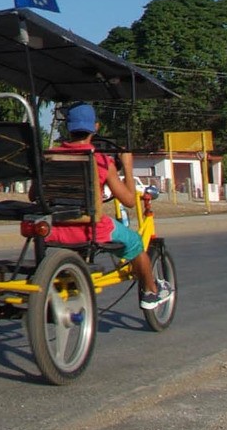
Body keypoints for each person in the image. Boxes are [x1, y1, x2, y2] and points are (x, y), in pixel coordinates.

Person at [45, 103, 172, 310]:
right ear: (95, 127)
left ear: (69, 128)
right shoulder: (100, 161)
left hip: (55, 229)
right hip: (90, 230)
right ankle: (151, 292)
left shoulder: (49, 156)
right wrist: (128, 167)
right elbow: (129, 201)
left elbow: (35, 194)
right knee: (136, 243)